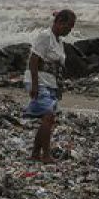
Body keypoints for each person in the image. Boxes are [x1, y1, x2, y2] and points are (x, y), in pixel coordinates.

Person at [24, 9, 76, 162]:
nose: (70, 30)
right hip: (39, 82)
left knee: (48, 119)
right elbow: (34, 60)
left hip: (50, 83)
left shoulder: (58, 41)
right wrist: (34, 86)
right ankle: (45, 155)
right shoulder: (45, 36)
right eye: (69, 26)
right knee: (48, 116)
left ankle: (35, 154)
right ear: (60, 23)